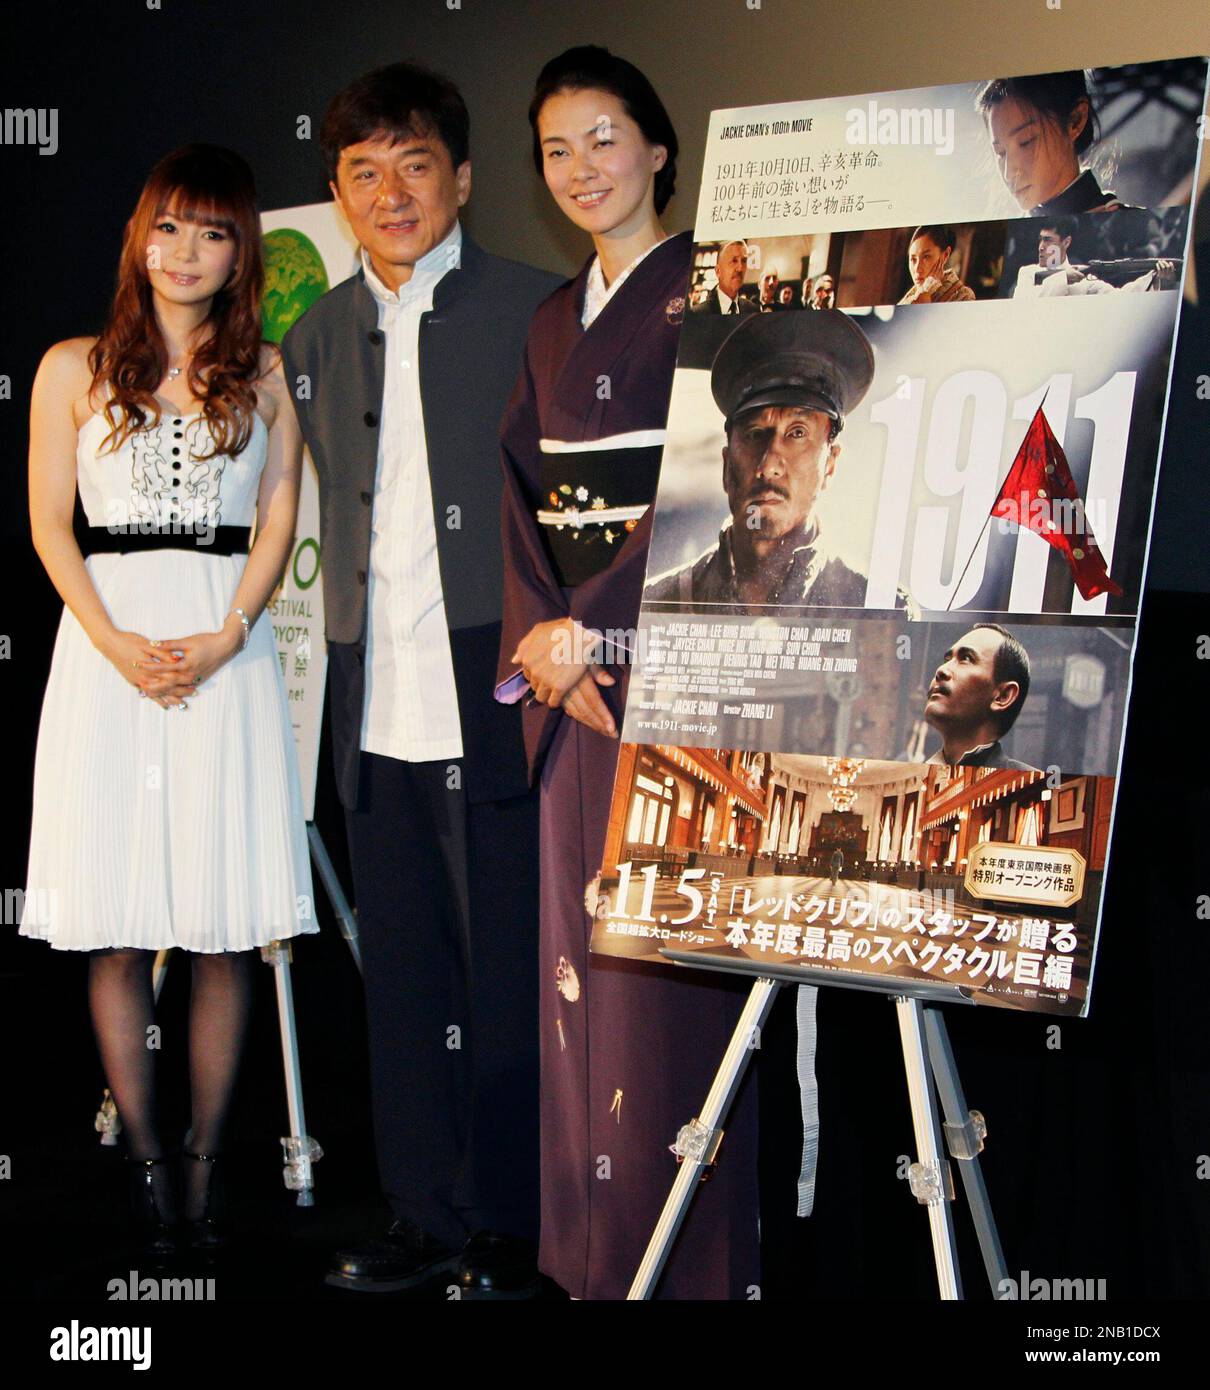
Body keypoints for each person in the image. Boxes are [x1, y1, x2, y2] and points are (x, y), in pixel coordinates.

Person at [281, 63, 560, 1298]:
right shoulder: (315, 333)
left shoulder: (537, 309)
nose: (389, 193)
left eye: (414, 166)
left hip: (492, 674)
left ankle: (507, 1222)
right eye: (362, 173)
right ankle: (420, 1214)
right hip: (368, 686)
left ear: (460, 176)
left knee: (504, 966)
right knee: (401, 976)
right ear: (337, 194)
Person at [496, 44, 759, 1301]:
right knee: (571, 979)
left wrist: (595, 632)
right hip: (570, 693)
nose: (581, 167)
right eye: (556, 148)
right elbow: (516, 498)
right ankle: (587, 1258)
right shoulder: (552, 320)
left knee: (661, 998)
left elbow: (708, 488)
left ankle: (687, 1266)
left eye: (605, 138)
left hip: (670, 680)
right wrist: (543, 641)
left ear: (659, 148)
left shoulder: (709, 298)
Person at [20, 144, 316, 1259]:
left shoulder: (269, 372)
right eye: (170, 227)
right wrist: (111, 641)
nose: (187, 252)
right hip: (107, 650)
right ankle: (145, 1157)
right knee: (120, 923)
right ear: (139, 237)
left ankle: (205, 1162)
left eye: (214, 231)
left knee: (221, 931)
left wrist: (231, 633)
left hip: (224, 653)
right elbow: (52, 522)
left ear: (240, 252)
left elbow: (280, 516)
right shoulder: (70, 368)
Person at [645, 309, 916, 611]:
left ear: (830, 463)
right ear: (726, 466)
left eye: (797, 433)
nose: (768, 465)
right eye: (755, 433)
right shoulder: (657, 601)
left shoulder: (880, 610)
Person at [977, 70, 1128, 217]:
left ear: (1075, 121)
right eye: (1000, 153)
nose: (1009, 173)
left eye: (1025, 142)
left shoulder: (1125, 224)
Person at [923, 623, 1038, 769]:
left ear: (1002, 696)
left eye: (966, 658)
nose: (941, 670)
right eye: (947, 659)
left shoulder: (1035, 783)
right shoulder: (911, 774)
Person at [898, 224, 975, 304]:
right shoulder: (909, 298)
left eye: (926, 257)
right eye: (913, 259)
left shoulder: (964, 297)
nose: (917, 269)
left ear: (945, 255)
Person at [691, 238, 756, 315]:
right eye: (734, 261)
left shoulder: (753, 310)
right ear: (718, 271)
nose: (740, 268)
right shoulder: (698, 313)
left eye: (744, 261)